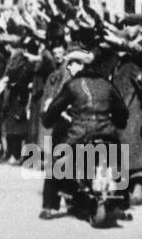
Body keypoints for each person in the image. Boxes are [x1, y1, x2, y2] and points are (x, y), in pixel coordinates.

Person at [40, 47, 130, 220]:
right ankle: (120, 205)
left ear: (81, 66)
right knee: (117, 160)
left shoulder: (72, 85)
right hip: (107, 134)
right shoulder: (107, 85)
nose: (69, 68)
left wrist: (47, 119)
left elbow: (54, 109)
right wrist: (117, 122)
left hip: (80, 135)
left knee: (57, 161)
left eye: (72, 64)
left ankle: (50, 206)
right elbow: (122, 113)